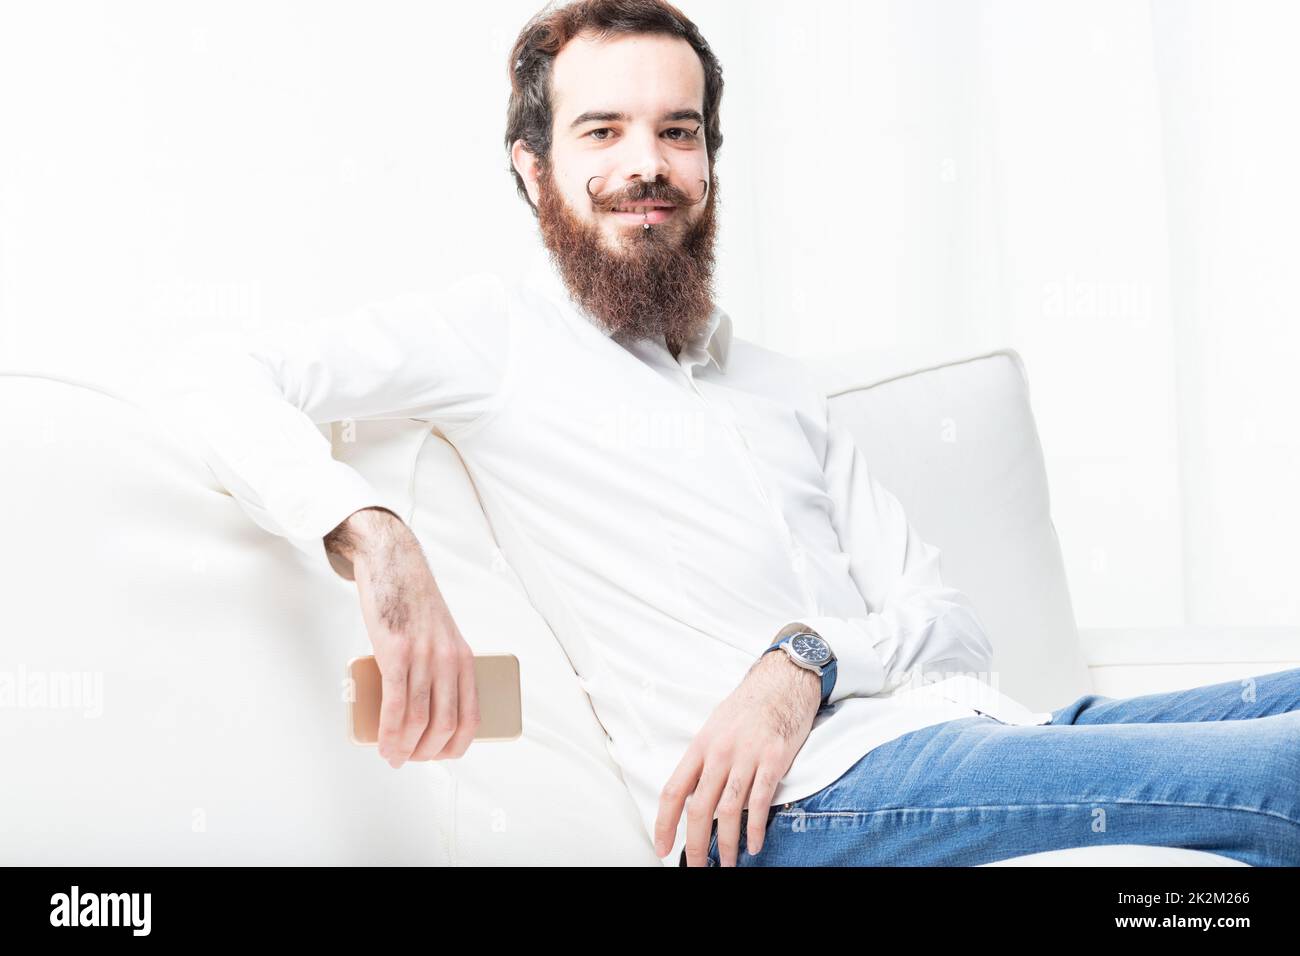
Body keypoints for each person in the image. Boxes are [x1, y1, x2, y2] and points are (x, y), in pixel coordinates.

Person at [143, 0, 1300, 868]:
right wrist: (372, 531)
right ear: (532, 166)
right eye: (601, 131)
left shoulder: (781, 388)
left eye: (677, 132)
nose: (646, 164)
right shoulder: (495, 341)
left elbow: (953, 634)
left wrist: (804, 658)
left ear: (707, 162)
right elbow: (203, 373)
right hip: (796, 807)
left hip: (970, 734)